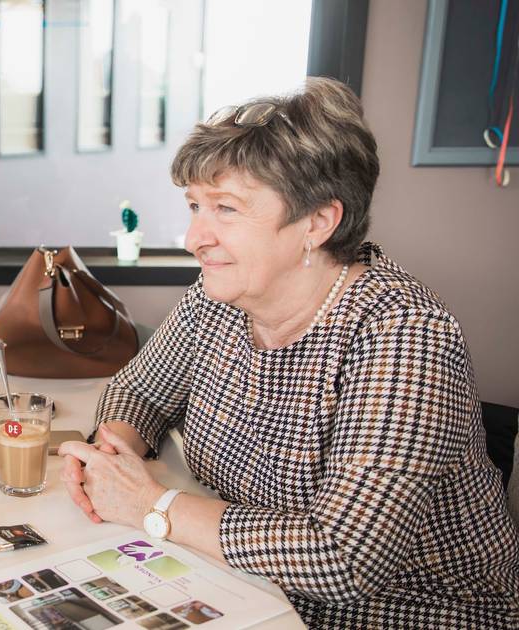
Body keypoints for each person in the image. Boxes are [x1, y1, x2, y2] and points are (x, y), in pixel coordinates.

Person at [59, 77, 519, 628]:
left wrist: (151, 506)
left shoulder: (407, 336)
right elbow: (140, 390)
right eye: (194, 206)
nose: (192, 237)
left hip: (408, 613)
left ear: (318, 223)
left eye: (225, 209)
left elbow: (345, 558)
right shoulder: (221, 297)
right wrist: (115, 457)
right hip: (250, 587)